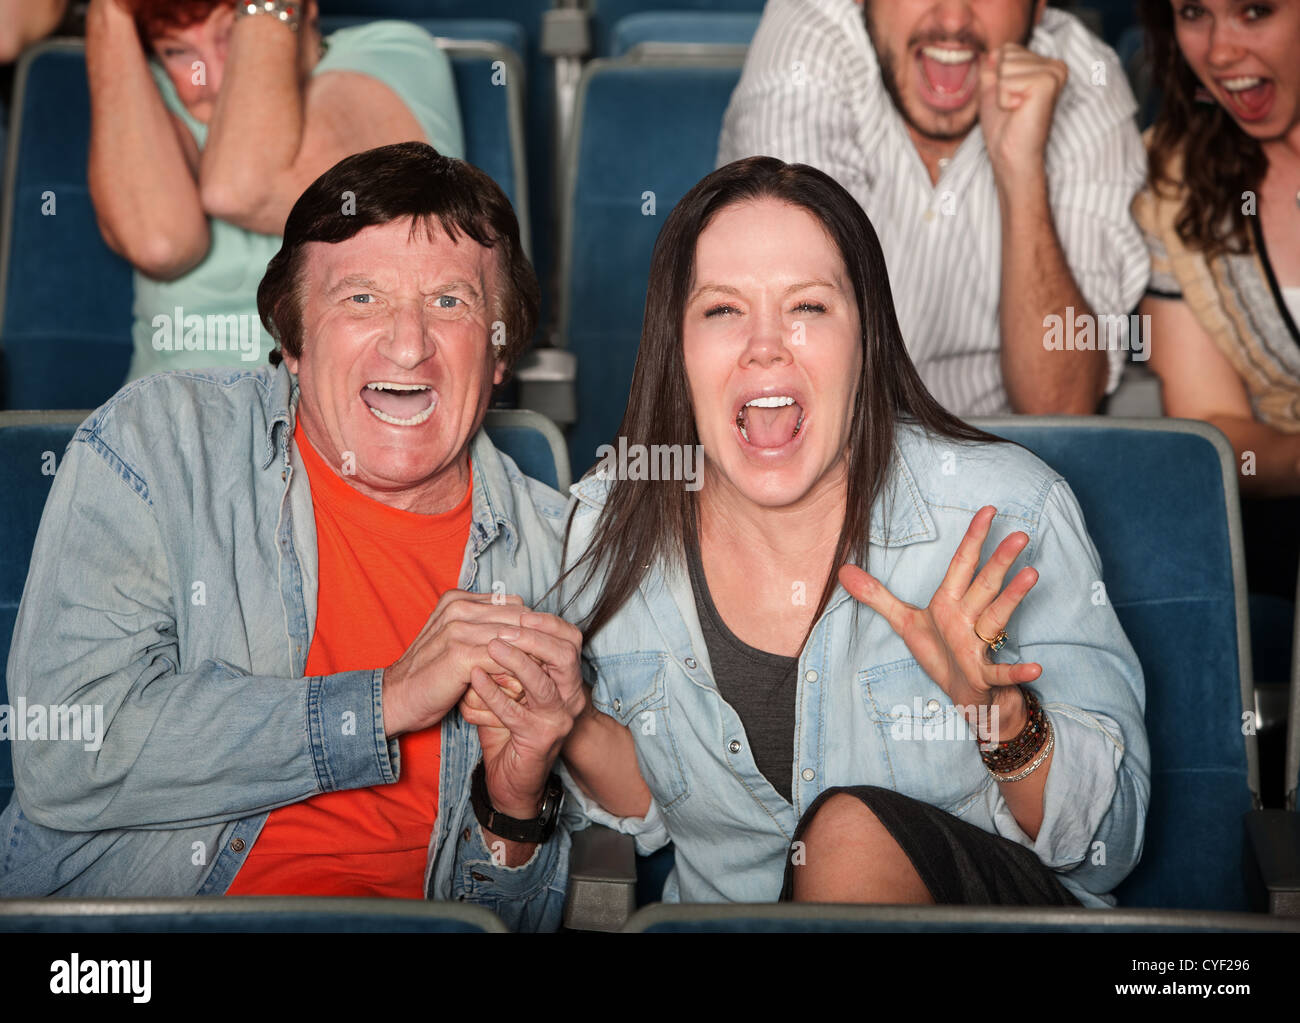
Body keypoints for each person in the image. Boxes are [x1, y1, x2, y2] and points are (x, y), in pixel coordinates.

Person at [476, 157, 1148, 907]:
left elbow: (1107, 847)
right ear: (679, 347)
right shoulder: (609, 525)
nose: (765, 345)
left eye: (809, 307)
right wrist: (570, 723)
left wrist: (1003, 720)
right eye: (723, 310)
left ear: (866, 340)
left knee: (849, 835)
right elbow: (654, 813)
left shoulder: (1008, 510)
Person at [0, 143, 584, 933]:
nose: (408, 343)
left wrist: (515, 811)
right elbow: (67, 750)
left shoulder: (560, 556)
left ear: (501, 350)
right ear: (294, 340)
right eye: (362, 299)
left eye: (450, 302)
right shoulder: (164, 444)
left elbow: (517, 917)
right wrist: (382, 701)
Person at [717, 0, 1151, 416]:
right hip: (822, 459)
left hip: (1005, 463)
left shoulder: (1084, 79)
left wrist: (1022, 174)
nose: (952, 17)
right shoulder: (806, 40)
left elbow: (1059, 407)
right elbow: (804, 371)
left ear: (1038, 8)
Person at [87, 0, 463, 381]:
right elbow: (160, 244)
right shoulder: (152, 93)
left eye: (231, 35)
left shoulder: (392, 53)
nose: (213, 80)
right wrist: (110, 12)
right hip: (168, 415)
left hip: (342, 414)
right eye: (177, 51)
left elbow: (242, 189)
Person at [1133, 0, 1300, 608]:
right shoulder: (1173, 178)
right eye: (1194, 13)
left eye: (1255, 11)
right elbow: (1216, 435)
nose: (1221, 51)